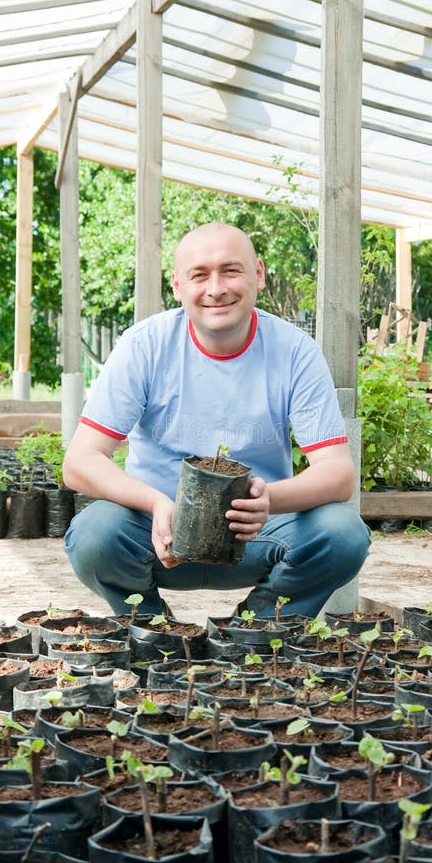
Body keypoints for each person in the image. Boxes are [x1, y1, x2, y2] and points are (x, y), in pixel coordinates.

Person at [63, 222, 370, 618]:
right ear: (177, 285)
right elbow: (79, 462)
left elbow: (338, 473)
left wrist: (269, 501)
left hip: (257, 534)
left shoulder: (294, 351)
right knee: (93, 535)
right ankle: (152, 629)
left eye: (230, 270)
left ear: (257, 274)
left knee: (342, 534)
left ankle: (258, 629)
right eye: (199, 275)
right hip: (157, 536)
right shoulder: (144, 346)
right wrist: (157, 503)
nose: (216, 288)